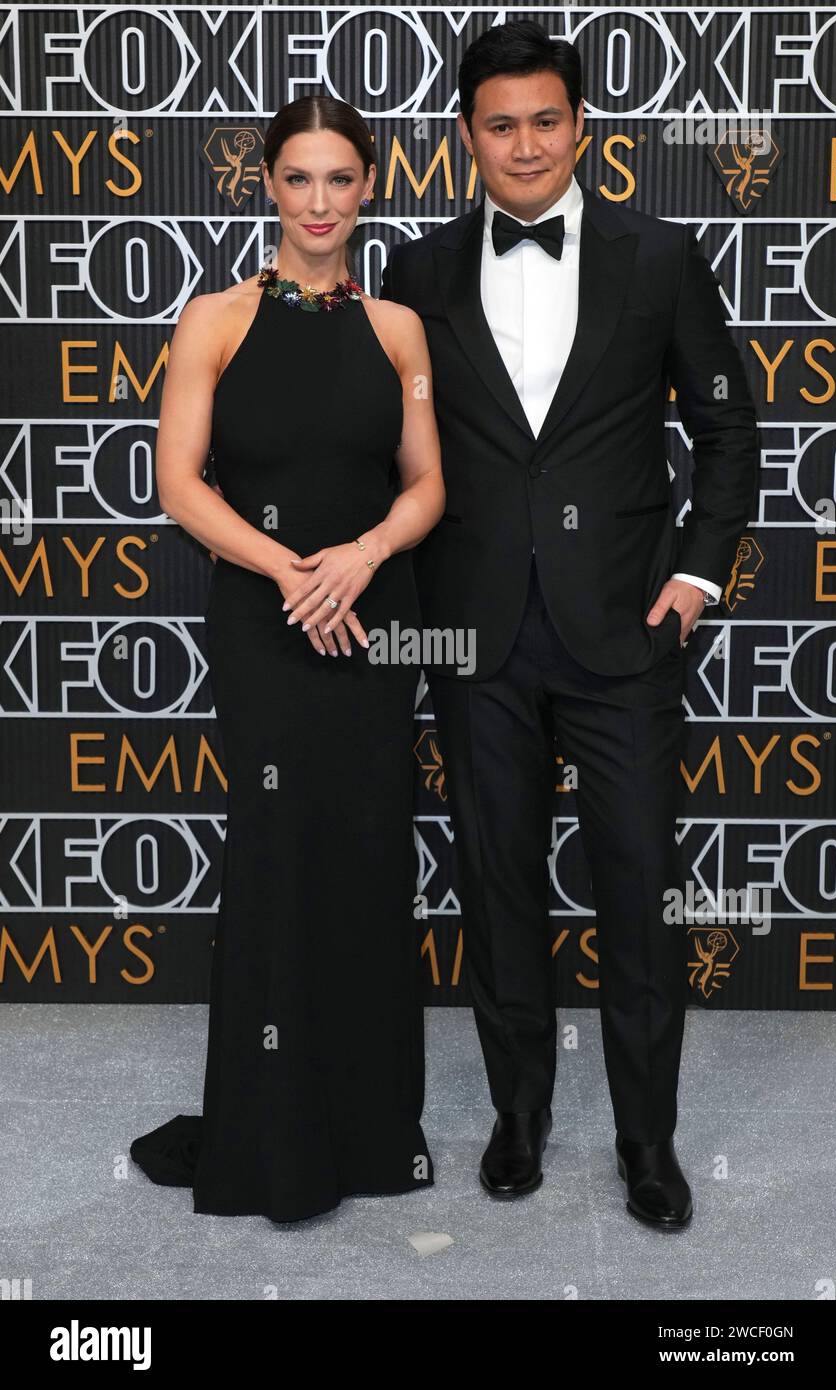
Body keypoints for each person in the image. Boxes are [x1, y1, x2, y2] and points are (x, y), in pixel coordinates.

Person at [381, 20, 759, 1227]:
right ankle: (519, 1116)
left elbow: (728, 429)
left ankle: (648, 1142)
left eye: (547, 120)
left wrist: (695, 578)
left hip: (624, 632)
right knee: (497, 890)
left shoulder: (659, 255)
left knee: (640, 893)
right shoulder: (418, 273)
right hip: (472, 636)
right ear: (464, 138)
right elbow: (388, 449)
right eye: (500, 124)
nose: (526, 144)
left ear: (581, 126)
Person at [130, 95, 444, 1224]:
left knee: (366, 856)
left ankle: (366, 1130)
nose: (319, 203)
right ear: (266, 183)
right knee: (275, 856)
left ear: (369, 186)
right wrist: (291, 573)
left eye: (340, 180)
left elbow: (427, 484)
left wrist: (356, 557)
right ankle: (271, 1134)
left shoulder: (399, 330)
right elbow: (178, 486)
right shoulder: (210, 320)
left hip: (373, 621)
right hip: (266, 629)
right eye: (298, 179)